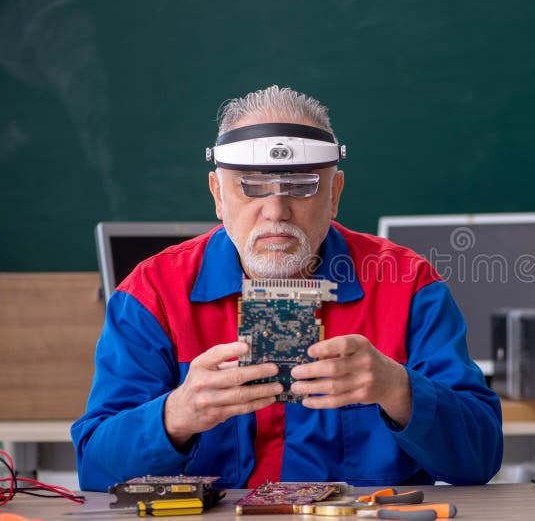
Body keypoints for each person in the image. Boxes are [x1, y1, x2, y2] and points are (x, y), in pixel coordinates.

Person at [71, 85, 503, 491]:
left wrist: (397, 388)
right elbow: (95, 470)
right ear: (217, 195)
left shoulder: (408, 286)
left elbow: (480, 457)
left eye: (301, 186)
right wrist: (176, 415)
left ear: (334, 193)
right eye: (251, 187)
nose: (276, 212)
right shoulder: (153, 294)